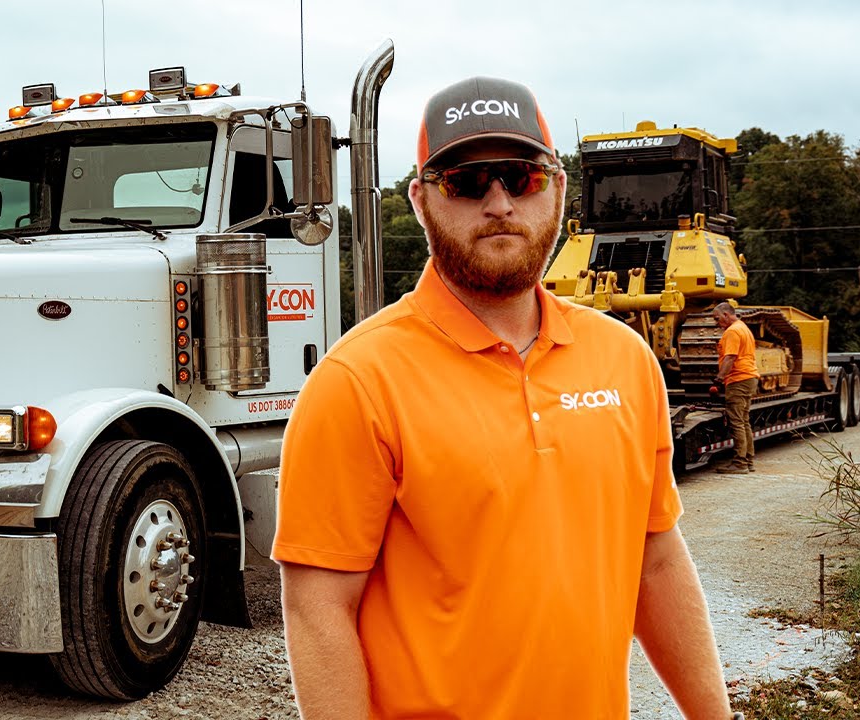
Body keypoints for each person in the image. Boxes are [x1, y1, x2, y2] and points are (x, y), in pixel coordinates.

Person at [272, 77, 735, 719]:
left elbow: (655, 562)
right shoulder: (358, 381)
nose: (498, 203)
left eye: (520, 178)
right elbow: (320, 607)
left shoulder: (623, 360)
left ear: (558, 189)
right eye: (467, 181)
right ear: (420, 200)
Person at [712, 302, 760, 473]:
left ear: (726, 314)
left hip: (738, 379)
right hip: (749, 377)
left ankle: (740, 463)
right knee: (744, 420)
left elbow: (730, 357)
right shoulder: (743, 327)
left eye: (718, 319)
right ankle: (748, 460)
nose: (717, 323)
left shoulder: (732, 331)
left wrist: (718, 379)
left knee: (737, 422)